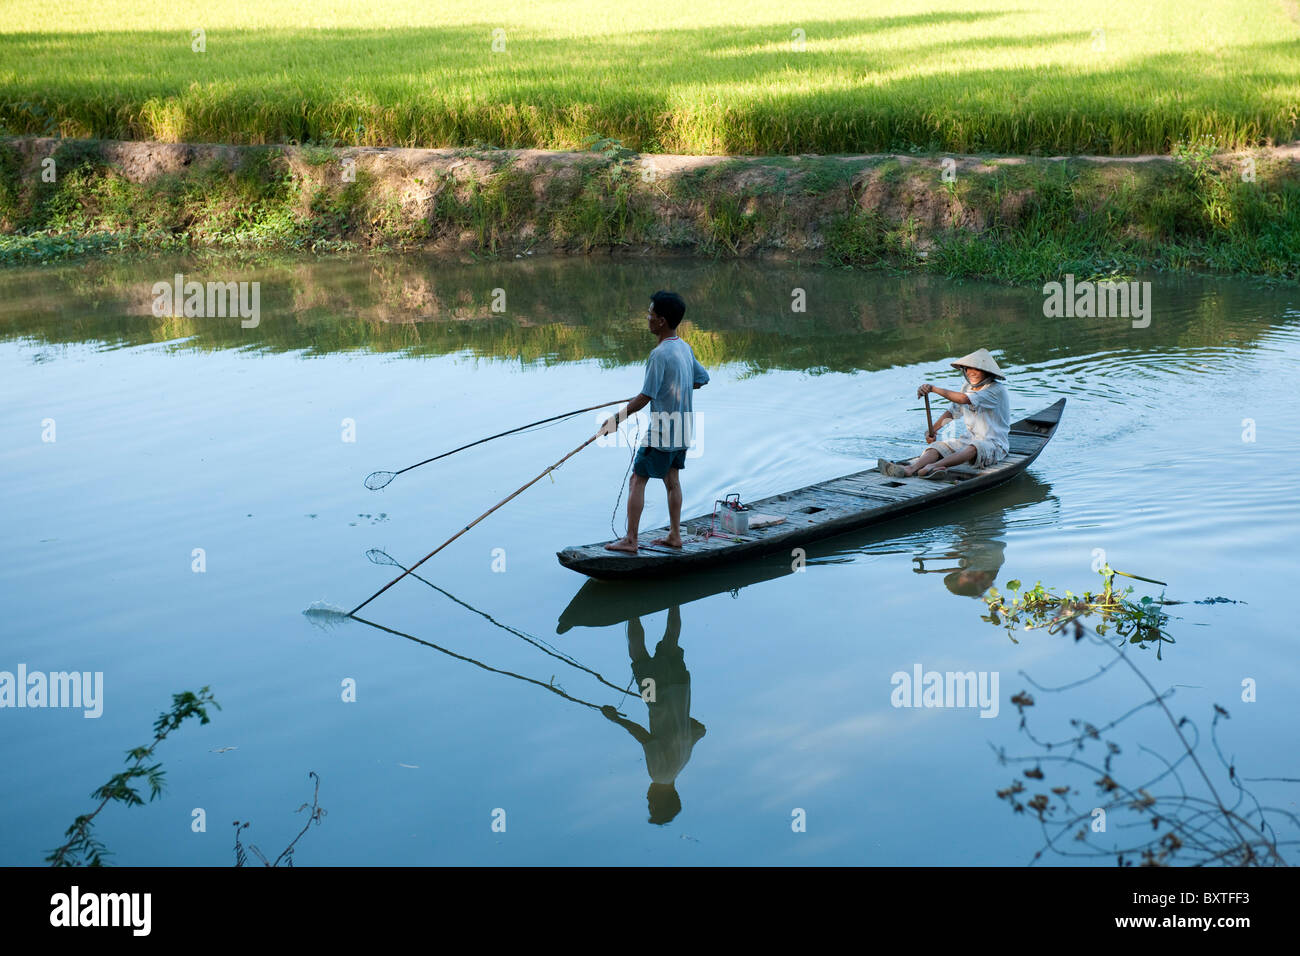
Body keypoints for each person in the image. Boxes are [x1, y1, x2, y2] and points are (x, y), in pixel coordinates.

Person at [601, 291, 709, 552]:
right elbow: (701, 378)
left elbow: (644, 398)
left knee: (638, 479)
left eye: (650, 314)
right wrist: (675, 385)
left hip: (662, 431)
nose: (647, 318)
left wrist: (614, 420)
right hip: (683, 429)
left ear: (661, 320)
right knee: (672, 482)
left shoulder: (659, 355)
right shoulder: (684, 347)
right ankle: (674, 535)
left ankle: (630, 540)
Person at [879, 348, 1011, 478]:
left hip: (994, 444)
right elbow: (953, 412)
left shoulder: (996, 390)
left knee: (974, 447)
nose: (972, 372)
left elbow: (963, 399)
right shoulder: (967, 387)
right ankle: (910, 468)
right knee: (938, 447)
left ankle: (933, 467)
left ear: (987, 372)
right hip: (969, 439)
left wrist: (933, 389)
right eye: (968, 369)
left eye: (977, 369)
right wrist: (933, 430)